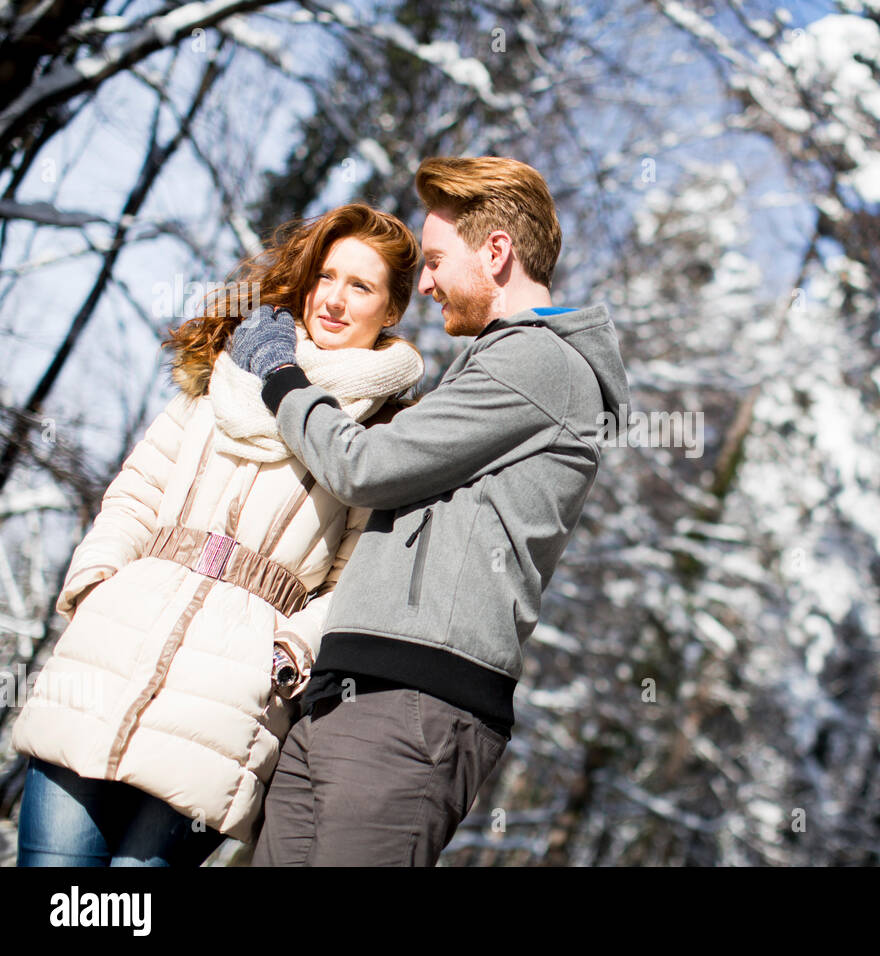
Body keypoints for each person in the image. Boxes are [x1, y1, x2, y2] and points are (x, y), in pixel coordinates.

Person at [232, 155, 629, 866]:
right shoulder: (495, 363)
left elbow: (365, 466)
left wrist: (282, 377)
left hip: (412, 706)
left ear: (497, 252)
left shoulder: (540, 365)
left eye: (438, 260)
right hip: (349, 692)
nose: (428, 282)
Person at [11, 203, 427, 866]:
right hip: (112, 649)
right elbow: (136, 493)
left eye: (361, 287)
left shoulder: (382, 437)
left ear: (393, 310)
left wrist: (287, 653)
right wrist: (98, 584)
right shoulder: (223, 377)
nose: (335, 300)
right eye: (327, 276)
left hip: (232, 699)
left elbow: (358, 582)